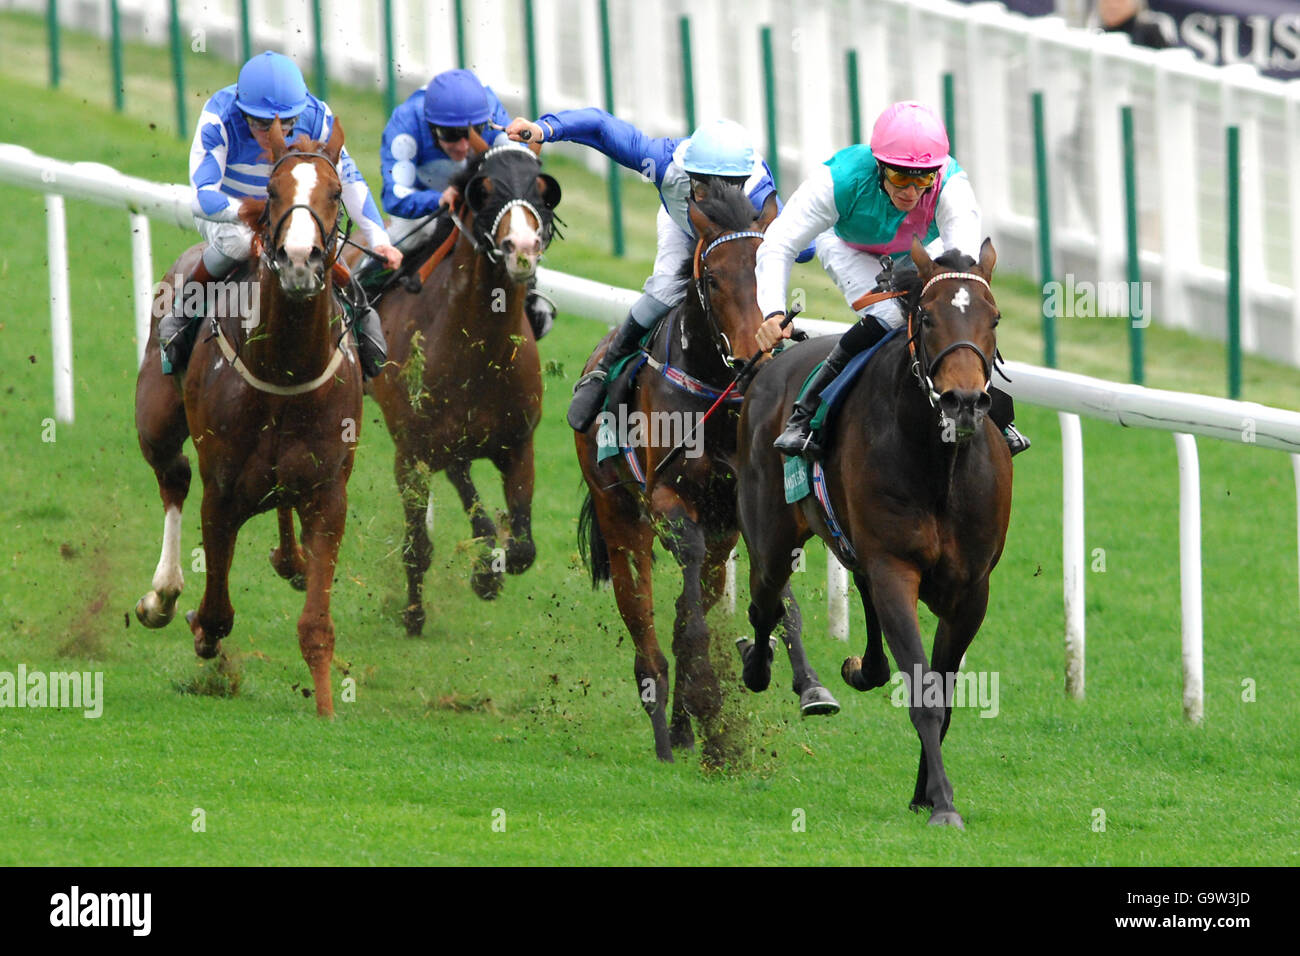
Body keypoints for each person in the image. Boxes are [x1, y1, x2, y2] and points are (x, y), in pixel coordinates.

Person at [753, 100, 1030, 459]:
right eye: (900, 177)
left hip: (922, 249)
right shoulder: (839, 179)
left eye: (922, 180)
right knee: (892, 317)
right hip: (849, 247)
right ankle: (806, 412)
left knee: (955, 309)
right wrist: (773, 311)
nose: (911, 192)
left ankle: (995, 410)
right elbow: (778, 244)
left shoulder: (951, 185)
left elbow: (963, 267)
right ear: (879, 165)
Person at [504, 111, 810, 431]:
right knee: (665, 290)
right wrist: (544, 129)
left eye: (725, 188)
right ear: (689, 173)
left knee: (750, 291)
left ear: (743, 182)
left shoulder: (760, 193)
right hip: (683, 223)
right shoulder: (662, 161)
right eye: (702, 187)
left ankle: (780, 378)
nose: (711, 198)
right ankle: (604, 371)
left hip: (736, 242)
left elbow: (802, 250)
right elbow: (600, 126)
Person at [162, 51, 401, 379]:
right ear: (242, 111)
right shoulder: (219, 116)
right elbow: (202, 198)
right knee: (239, 242)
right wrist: (256, 216)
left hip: (292, 208)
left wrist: (381, 241)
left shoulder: (318, 117)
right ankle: (183, 311)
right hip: (230, 211)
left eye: (287, 122)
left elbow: (350, 180)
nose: (274, 129)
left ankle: (362, 313)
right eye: (261, 123)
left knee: (321, 243)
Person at [377, 68, 556, 340]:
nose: (462, 147)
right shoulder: (406, 123)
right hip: (424, 205)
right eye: (450, 135)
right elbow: (395, 196)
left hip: (475, 199)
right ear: (430, 126)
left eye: (472, 133)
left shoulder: (490, 112)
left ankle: (531, 295)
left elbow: (517, 170)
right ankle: (360, 302)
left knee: (514, 234)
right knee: (401, 242)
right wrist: (438, 198)